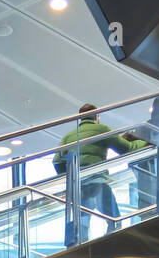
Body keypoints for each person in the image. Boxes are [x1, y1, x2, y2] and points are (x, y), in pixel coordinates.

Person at [53, 104, 148, 244]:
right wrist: (146, 140)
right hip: (98, 182)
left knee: (81, 225)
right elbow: (127, 148)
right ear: (97, 116)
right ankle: (111, 247)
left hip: (78, 187)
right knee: (114, 220)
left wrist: (71, 177)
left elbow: (56, 161)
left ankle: (81, 250)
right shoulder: (101, 129)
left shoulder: (68, 137)